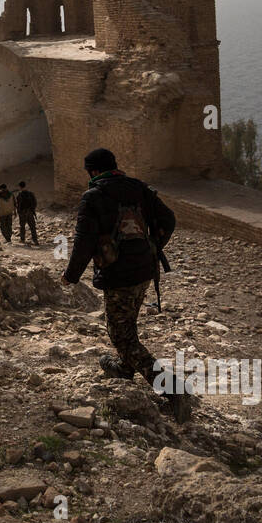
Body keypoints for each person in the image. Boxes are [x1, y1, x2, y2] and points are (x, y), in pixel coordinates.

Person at [60, 148, 192, 422]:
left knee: (122, 335)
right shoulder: (138, 188)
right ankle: (123, 367)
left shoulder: (93, 197)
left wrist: (71, 276)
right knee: (126, 324)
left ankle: (173, 390)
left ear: (93, 171)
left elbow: (84, 242)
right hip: (145, 269)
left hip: (118, 275)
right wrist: (152, 247)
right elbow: (168, 219)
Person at [15, 181, 38, 245]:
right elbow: (35, 202)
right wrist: (32, 210)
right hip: (30, 212)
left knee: (22, 226)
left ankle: (22, 240)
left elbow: (18, 204)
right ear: (25, 186)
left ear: (20, 187)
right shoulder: (30, 193)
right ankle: (35, 240)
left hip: (22, 213)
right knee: (32, 227)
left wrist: (19, 212)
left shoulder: (19, 195)